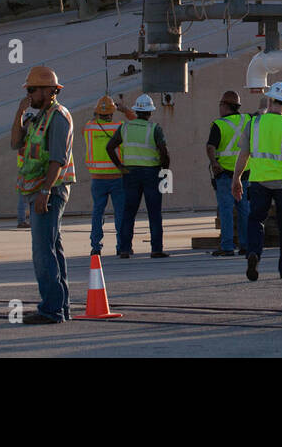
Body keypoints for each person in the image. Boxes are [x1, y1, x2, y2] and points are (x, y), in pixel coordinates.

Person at [10, 65, 76, 324]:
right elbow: (16, 143)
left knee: (42, 251)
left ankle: (51, 310)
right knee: (52, 248)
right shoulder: (36, 117)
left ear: (50, 91)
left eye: (32, 90)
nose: (29, 94)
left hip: (50, 190)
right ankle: (61, 307)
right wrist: (19, 112)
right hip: (38, 190)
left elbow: (58, 159)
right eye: (28, 90)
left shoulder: (58, 117)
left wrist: (46, 191)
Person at [232, 80, 282, 281]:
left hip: (259, 180)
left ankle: (254, 253)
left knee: (256, 220)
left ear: (270, 100)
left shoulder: (253, 124)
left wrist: (236, 179)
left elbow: (243, 155)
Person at [107, 94, 171, 258]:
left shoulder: (125, 127)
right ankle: (156, 249)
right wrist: (165, 168)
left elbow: (110, 147)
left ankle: (125, 249)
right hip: (152, 173)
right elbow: (164, 151)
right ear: (149, 112)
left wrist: (120, 166)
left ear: (136, 110)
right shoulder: (154, 128)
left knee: (129, 212)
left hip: (130, 174)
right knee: (154, 213)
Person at [83, 95, 134, 257]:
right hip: (117, 177)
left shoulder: (89, 128)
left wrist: (100, 109)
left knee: (98, 212)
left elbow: (94, 118)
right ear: (112, 113)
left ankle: (96, 247)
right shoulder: (119, 127)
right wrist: (124, 109)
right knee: (120, 213)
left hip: (97, 178)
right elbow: (135, 122)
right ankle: (122, 246)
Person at [207, 90, 252, 257]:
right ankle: (246, 245)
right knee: (244, 210)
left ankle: (227, 246)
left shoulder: (219, 125)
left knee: (226, 210)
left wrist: (214, 163)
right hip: (245, 172)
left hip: (225, 174)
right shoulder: (247, 120)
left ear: (225, 106)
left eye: (220, 104)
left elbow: (210, 147)